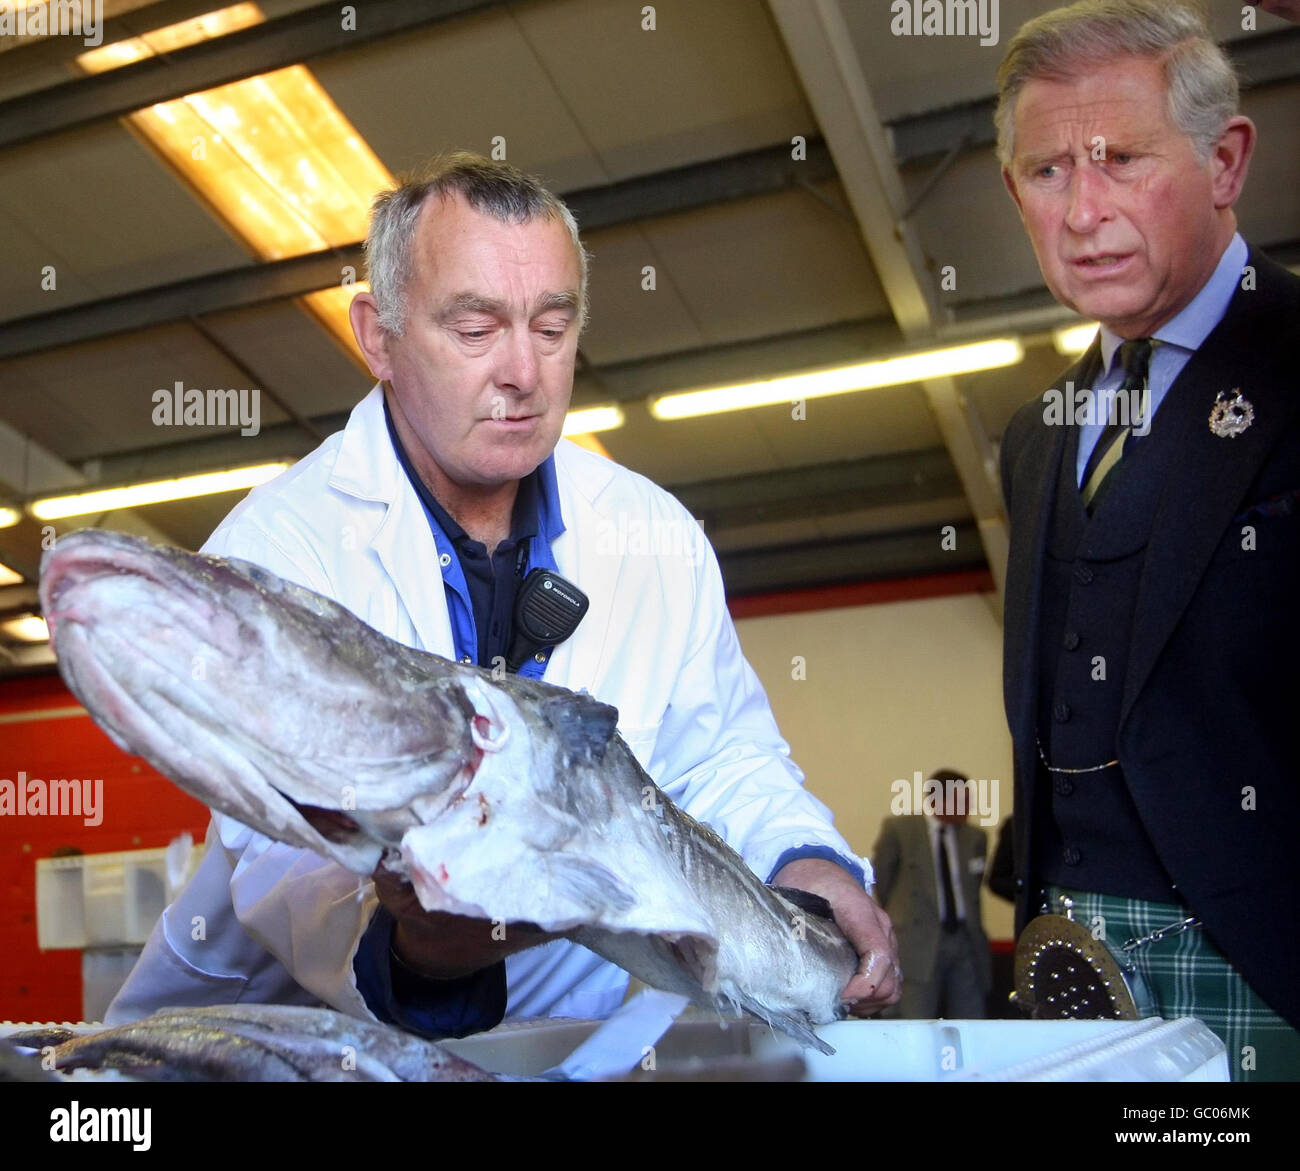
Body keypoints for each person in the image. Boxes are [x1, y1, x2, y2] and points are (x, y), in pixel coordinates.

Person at [107, 153, 900, 1036]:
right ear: (378, 335)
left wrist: (810, 860)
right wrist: (418, 947)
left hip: (580, 1046)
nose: (525, 372)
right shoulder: (277, 553)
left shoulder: (652, 533)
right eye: (476, 329)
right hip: (322, 1040)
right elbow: (283, 854)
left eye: (552, 328)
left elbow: (717, 758)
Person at [995, 1, 1299, 1079]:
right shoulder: (1033, 439)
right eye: (1046, 172)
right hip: (1062, 981)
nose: (1083, 211)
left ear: (1225, 163)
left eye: (1120, 159)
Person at [871, 771, 991, 1019]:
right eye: (962, 799)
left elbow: (974, 887)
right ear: (938, 800)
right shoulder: (901, 830)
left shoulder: (975, 838)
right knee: (916, 1016)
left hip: (964, 939)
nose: (968, 807)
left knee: (971, 1017)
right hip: (917, 941)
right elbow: (882, 879)